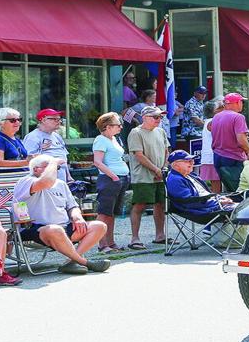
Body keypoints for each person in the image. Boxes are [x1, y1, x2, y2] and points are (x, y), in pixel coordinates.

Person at [14, 156, 110, 274]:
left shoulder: (60, 184)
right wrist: (53, 162)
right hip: (36, 230)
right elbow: (46, 182)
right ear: (35, 169)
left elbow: (72, 206)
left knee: (99, 226)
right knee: (55, 229)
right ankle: (85, 262)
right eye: (50, 167)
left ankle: (71, 262)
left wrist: (77, 217)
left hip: (65, 228)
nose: (55, 170)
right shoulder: (26, 181)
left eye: (56, 168)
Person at [127, 105, 170, 249]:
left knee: (160, 204)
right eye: (156, 117)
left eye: (161, 117)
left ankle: (160, 235)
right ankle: (134, 238)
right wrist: (156, 169)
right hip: (143, 176)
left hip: (159, 174)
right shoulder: (136, 132)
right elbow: (138, 155)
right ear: (145, 117)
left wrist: (163, 168)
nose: (159, 119)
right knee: (140, 204)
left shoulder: (161, 131)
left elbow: (166, 150)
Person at [92, 112, 131, 253]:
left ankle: (111, 242)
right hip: (109, 179)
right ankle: (102, 244)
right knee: (104, 212)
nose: (121, 127)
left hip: (121, 177)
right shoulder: (100, 139)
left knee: (112, 212)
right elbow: (97, 161)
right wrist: (113, 176)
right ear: (107, 127)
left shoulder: (114, 139)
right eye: (117, 124)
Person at [211, 92, 249, 190]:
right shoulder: (238, 117)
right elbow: (241, 140)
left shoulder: (216, 116)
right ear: (237, 103)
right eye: (241, 101)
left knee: (229, 189)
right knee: (240, 190)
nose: (242, 104)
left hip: (218, 156)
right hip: (234, 157)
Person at [23, 109, 71, 178]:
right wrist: (40, 150)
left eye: (59, 119)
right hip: (44, 180)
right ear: (43, 120)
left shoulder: (57, 136)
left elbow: (63, 157)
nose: (59, 121)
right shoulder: (32, 137)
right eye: (55, 119)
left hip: (61, 179)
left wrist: (68, 177)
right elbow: (29, 161)